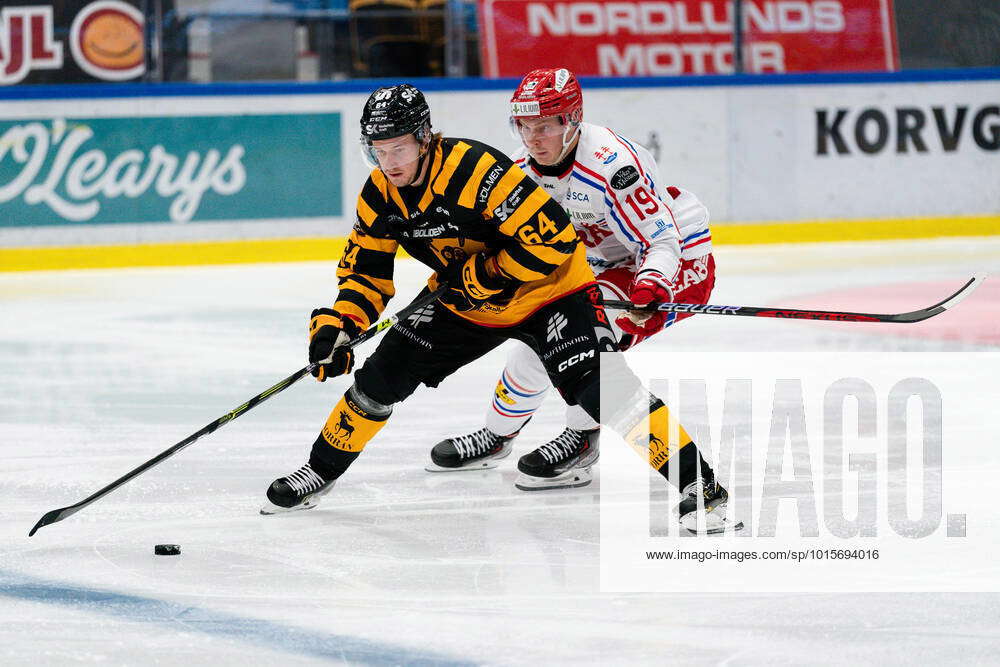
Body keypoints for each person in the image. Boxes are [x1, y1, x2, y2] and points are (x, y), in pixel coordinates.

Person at [261, 83, 739, 534]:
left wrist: (482, 275)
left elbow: (554, 238)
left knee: (602, 389)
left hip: (550, 293)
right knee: (378, 380)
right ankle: (317, 472)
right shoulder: (379, 195)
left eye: (399, 148)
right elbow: (365, 272)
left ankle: (702, 487)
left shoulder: (475, 169)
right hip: (468, 305)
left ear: (425, 139)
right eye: (377, 151)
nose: (388, 162)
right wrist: (341, 324)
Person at [428, 68, 715, 494]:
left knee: (583, 340)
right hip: (601, 264)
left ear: (573, 120)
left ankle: (582, 441)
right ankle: (498, 435)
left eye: (543, 126)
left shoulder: (612, 166)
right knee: (535, 340)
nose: (532, 138)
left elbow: (661, 241)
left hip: (676, 263)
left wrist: (652, 283)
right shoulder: (523, 169)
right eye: (524, 126)